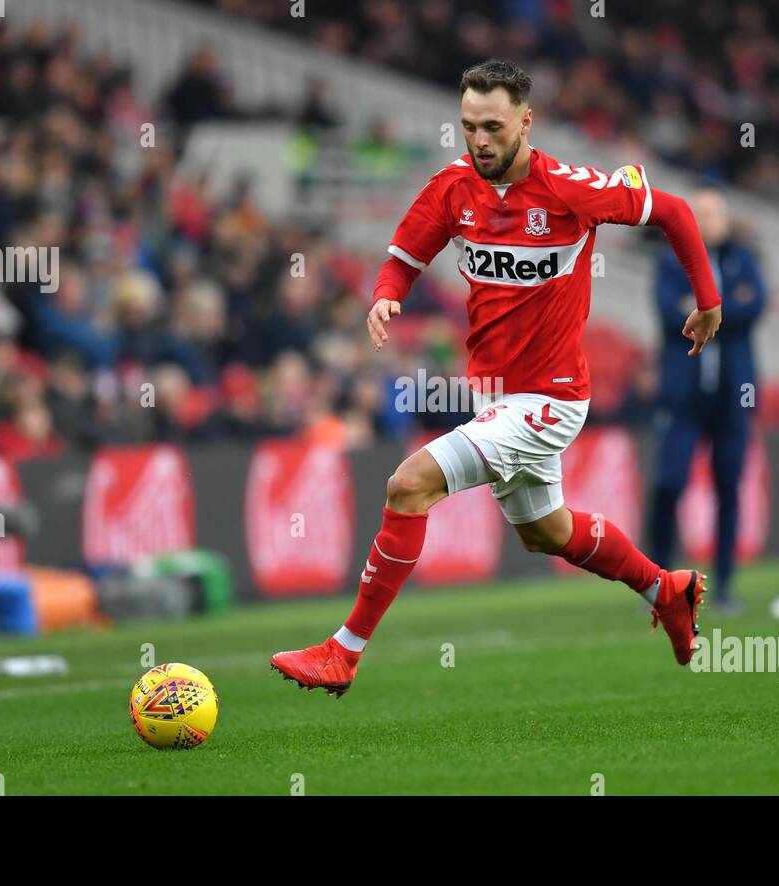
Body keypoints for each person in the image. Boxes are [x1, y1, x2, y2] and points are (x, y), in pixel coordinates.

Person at [269, 59, 722, 697]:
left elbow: (672, 211)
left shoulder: (570, 189)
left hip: (552, 398)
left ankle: (343, 651)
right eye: (468, 126)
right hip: (496, 397)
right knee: (547, 531)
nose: (479, 140)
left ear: (525, 122)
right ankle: (665, 589)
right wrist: (384, 296)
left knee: (408, 486)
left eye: (492, 127)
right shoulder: (453, 187)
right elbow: (405, 254)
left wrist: (708, 301)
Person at [647, 190, 764, 613]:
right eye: (699, 214)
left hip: (732, 396)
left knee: (728, 487)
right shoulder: (668, 261)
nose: (707, 221)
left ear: (726, 219)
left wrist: (704, 309)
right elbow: (667, 314)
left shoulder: (743, 259)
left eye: (713, 213)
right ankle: (657, 581)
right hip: (683, 396)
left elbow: (757, 307)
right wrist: (725, 308)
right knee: (668, 483)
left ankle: (726, 583)